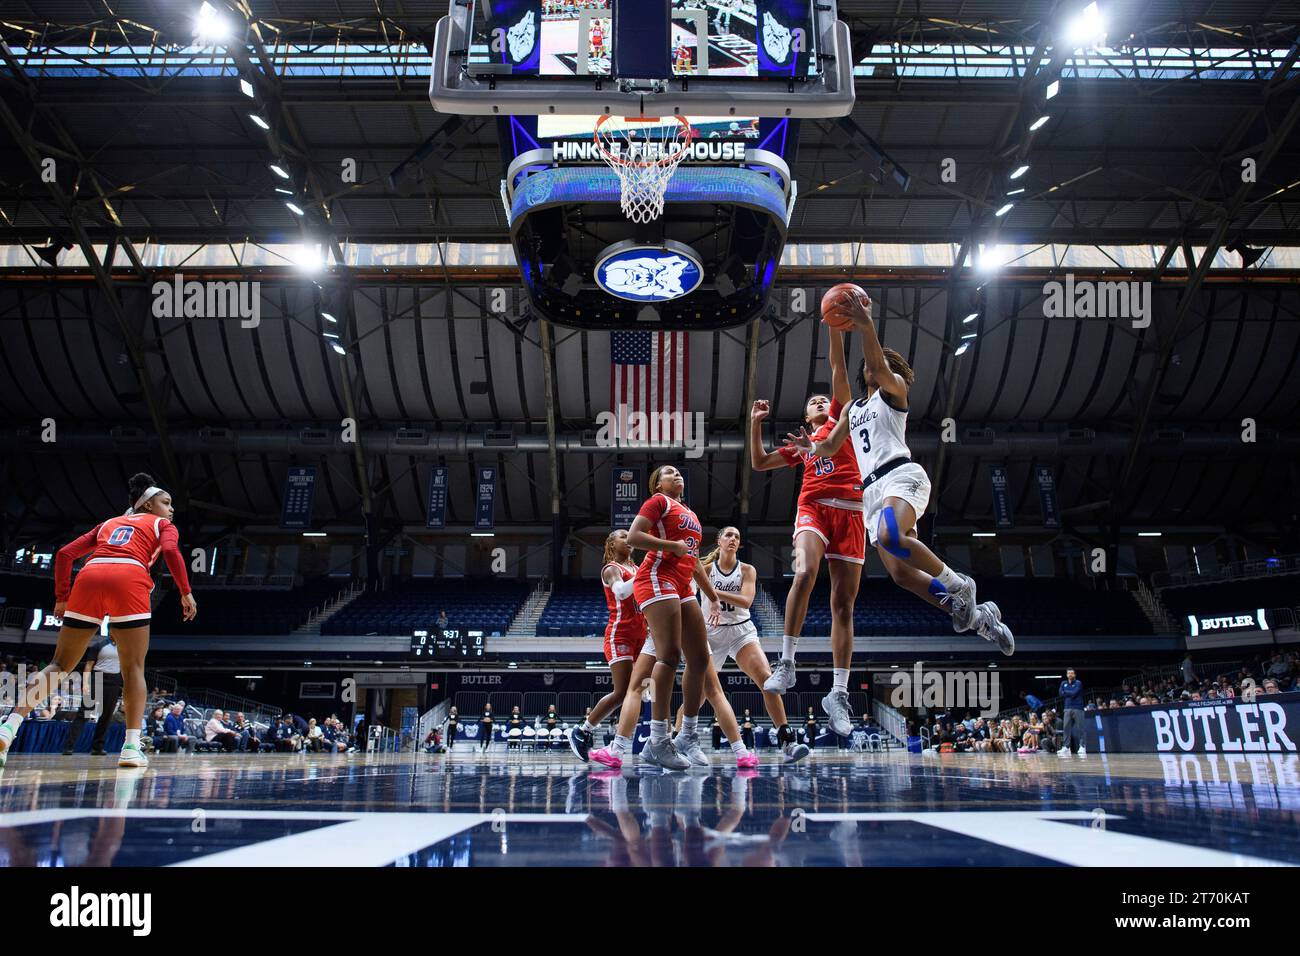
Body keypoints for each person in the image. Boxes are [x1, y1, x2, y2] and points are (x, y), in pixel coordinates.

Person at [784, 289, 1015, 733]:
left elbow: (873, 362)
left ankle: (958, 582)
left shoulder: (894, 390)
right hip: (870, 495)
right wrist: (807, 445)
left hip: (902, 476)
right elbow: (831, 444)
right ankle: (980, 618)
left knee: (892, 536)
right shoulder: (854, 407)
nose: (871, 368)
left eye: (878, 363)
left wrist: (866, 324)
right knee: (901, 574)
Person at [0, 473, 196, 769]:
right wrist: (186, 592)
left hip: (89, 575)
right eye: (166, 503)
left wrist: (62, 598)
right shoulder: (161, 524)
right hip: (129, 576)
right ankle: (130, 747)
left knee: (60, 664)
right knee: (133, 669)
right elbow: (170, 551)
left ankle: (9, 726)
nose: (171, 509)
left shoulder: (108, 523)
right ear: (146, 505)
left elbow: (65, 554)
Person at [750, 316, 862, 726]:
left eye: (822, 400)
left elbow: (837, 368)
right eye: (812, 402)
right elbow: (760, 462)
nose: (819, 402)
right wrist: (755, 425)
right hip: (812, 507)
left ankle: (838, 693)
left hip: (851, 510)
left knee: (843, 606)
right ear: (804, 413)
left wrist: (834, 324)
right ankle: (787, 662)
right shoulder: (803, 443)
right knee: (804, 572)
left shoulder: (839, 416)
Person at [588, 465, 723, 771]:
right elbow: (635, 537)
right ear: (657, 484)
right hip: (656, 576)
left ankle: (687, 734)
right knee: (670, 656)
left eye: (678, 472)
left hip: (681, 580)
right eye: (669, 473)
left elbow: (693, 560)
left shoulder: (691, 513)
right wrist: (669, 546)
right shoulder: (658, 502)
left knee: (700, 659)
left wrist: (713, 597)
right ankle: (657, 740)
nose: (677, 475)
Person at [687, 526, 809, 763]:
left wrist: (713, 593)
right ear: (719, 541)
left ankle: (787, 740)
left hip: (740, 631)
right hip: (710, 634)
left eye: (737, 536)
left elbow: (746, 600)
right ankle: (679, 735)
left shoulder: (746, 570)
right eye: (728, 535)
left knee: (767, 679)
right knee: (698, 696)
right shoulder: (706, 569)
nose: (733, 539)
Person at [569, 529, 647, 761]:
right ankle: (582, 731)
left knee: (646, 690)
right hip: (620, 634)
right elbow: (622, 593)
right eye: (623, 536)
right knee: (622, 692)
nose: (629, 539)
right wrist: (646, 574)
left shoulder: (637, 569)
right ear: (611, 544)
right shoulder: (611, 569)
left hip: (642, 633)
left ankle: (645, 742)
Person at [61, 637, 124, 756]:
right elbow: (89, 665)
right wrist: (85, 683)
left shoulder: (124, 646)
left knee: (106, 715)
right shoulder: (99, 645)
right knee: (84, 713)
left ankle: (97, 748)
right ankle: (68, 746)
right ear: (111, 630)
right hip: (97, 678)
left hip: (114, 681)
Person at [1059, 668, 1085, 755]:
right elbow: (1060, 694)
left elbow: (1074, 693)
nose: (1070, 675)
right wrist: (1067, 693)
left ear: (1074, 675)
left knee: (1080, 728)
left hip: (1078, 707)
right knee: (1066, 728)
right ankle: (1066, 747)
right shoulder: (1063, 683)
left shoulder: (1078, 683)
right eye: (1068, 673)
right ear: (1066, 675)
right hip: (1067, 708)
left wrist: (1065, 692)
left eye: (1072, 673)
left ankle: (1082, 746)